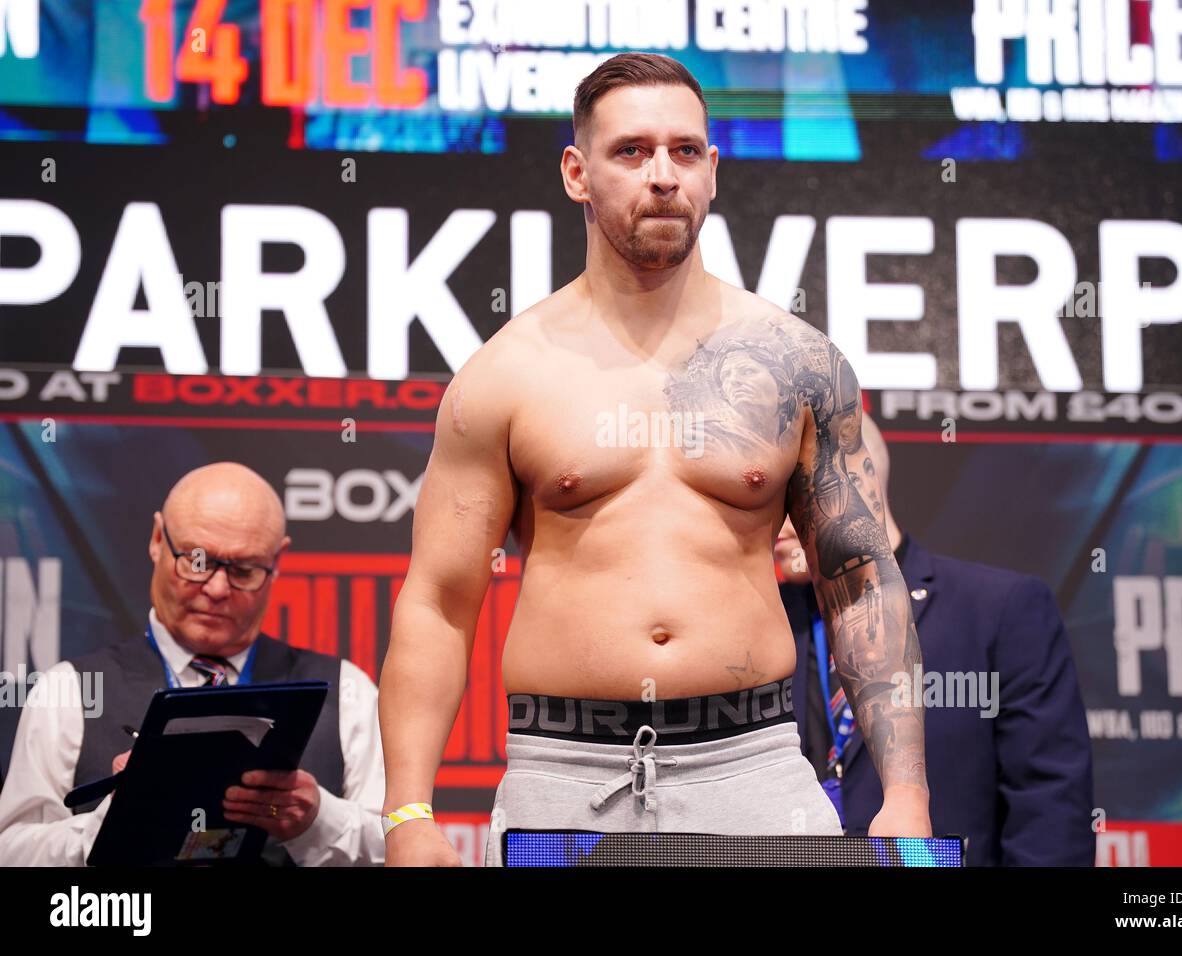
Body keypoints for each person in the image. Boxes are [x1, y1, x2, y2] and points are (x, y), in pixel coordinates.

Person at [379, 52, 931, 868]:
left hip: (755, 767)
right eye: (631, 151)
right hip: (564, 777)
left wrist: (907, 794)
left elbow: (860, 585)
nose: (662, 175)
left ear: (713, 170)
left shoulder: (799, 363)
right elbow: (439, 600)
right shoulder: (504, 374)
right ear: (577, 172)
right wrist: (408, 812)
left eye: (683, 151)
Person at [0, 462, 386, 866]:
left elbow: (399, 849)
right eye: (197, 562)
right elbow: (13, 854)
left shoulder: (346, 692)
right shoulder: (70, 692)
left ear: (278, 561)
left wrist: (319, 821)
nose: (217, 589)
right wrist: (105, 824)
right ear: (156, 539)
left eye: (244, 570)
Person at [776, 415, 1095, 865]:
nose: (773, 521)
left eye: (786, 495)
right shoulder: (765, 620)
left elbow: (1050, 803)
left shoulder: (999, 609)